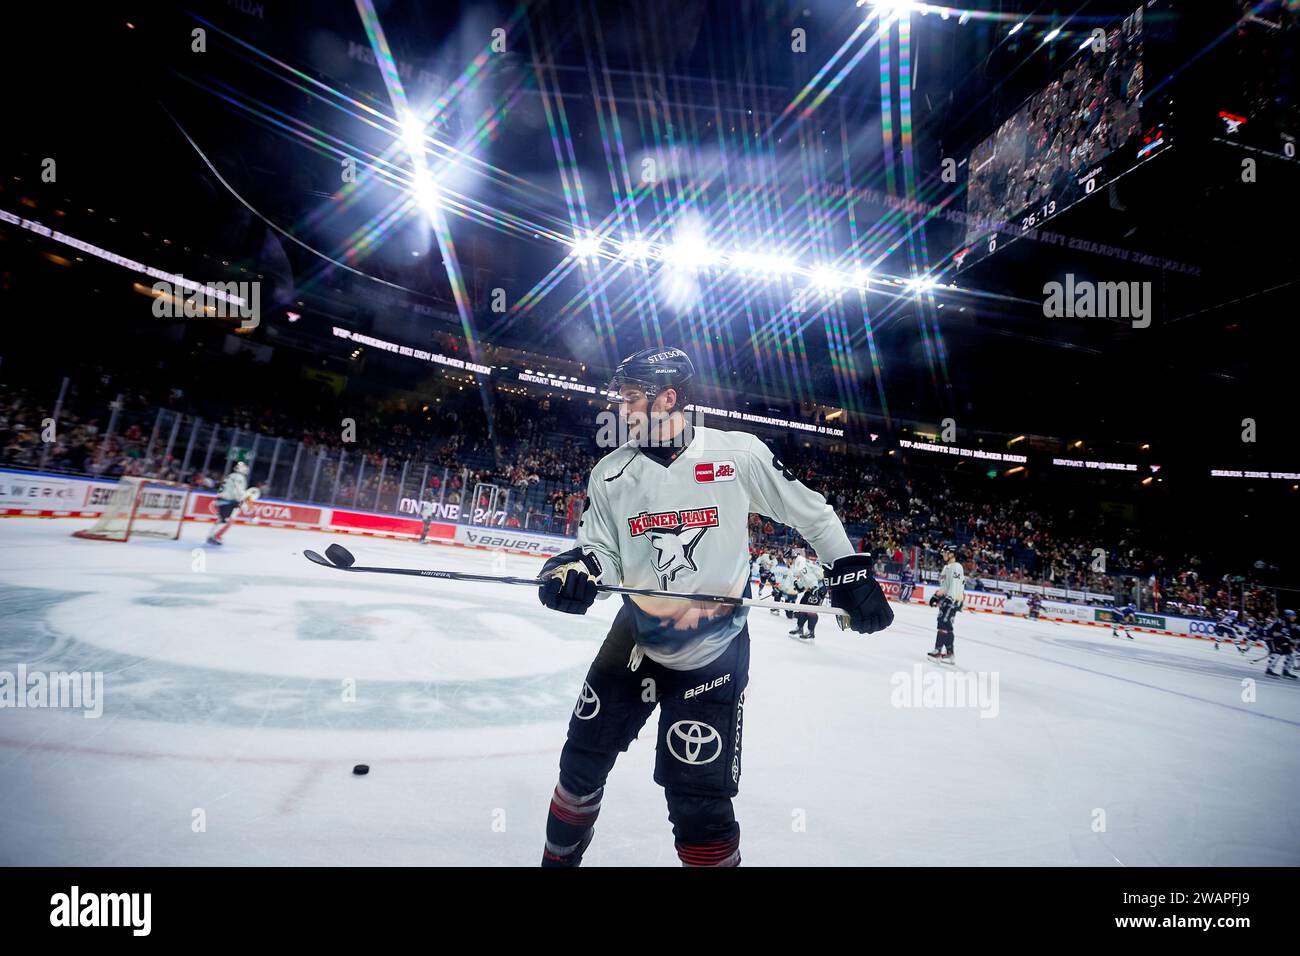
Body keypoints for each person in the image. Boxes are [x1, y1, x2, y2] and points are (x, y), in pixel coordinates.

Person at [535, 346, 893, 867]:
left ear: (669, 399)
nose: (621, 408)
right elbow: (603, 553)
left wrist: (848, 570)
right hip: (635, 636)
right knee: (580, 766)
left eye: (632, 398)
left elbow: (813, 515)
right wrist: (580, 573)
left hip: (716, 653)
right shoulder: (610, 474)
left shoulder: (737, 455)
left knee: (697, 802)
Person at [926, 548, 965, 664]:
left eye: (946, 552)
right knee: (945, 624)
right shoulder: (946, 568)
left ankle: (937, 651)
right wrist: (936, 596)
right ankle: (949, 654)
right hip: (947, 599)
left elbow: (955, 585)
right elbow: (945, 586)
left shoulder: (957, 567)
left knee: (943, 622)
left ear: (952, 554)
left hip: (953, 600)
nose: (943, 554)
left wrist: (950, 599)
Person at [206, 460, 255, 546]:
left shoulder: (231, 475)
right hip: (227, 501)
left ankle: (212, 536)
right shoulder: (239, 477)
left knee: (222, 520)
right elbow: (240, 491)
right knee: (226, 521)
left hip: (222, 499)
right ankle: (214, 537)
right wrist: (247, 499)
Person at [789, 554, 827, 641]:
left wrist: (814, 588)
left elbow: (810, 578)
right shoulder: (800, 563)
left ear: (791, 559)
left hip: (818, 587)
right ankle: (800, 628)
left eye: (787, 559)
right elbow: (804, 580)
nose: (787, 562)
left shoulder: (801, 563)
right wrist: (798, 585)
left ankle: (811, 632)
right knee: (803, 606)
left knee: (811, 611)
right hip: (813, 587)